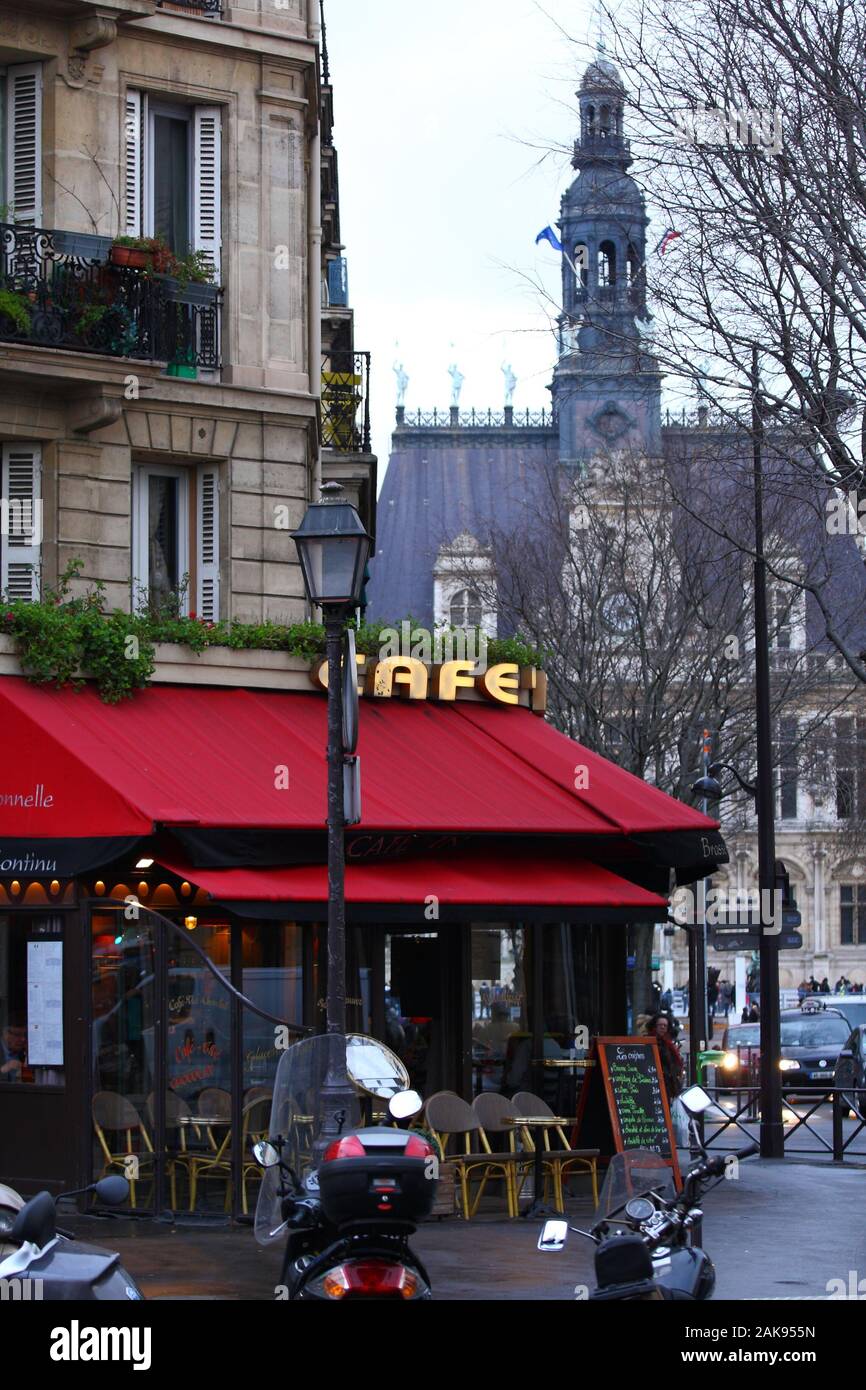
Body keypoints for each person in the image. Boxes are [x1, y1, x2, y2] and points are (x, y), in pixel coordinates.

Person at [639, 1011, 684, 1101]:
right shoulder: (649, 1041)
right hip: (653, 1083)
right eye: (660, 1025)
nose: (663, 1027)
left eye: (665, 1025)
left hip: (667, 1085)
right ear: (655, 1026)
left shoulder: (669, 1043)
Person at [0, 1016, 26, 1082]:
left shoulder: (24, 1051)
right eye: (18, 1035)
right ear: (6, 1034)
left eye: (24, 1035)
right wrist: (3, 1070)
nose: (23, 1039)